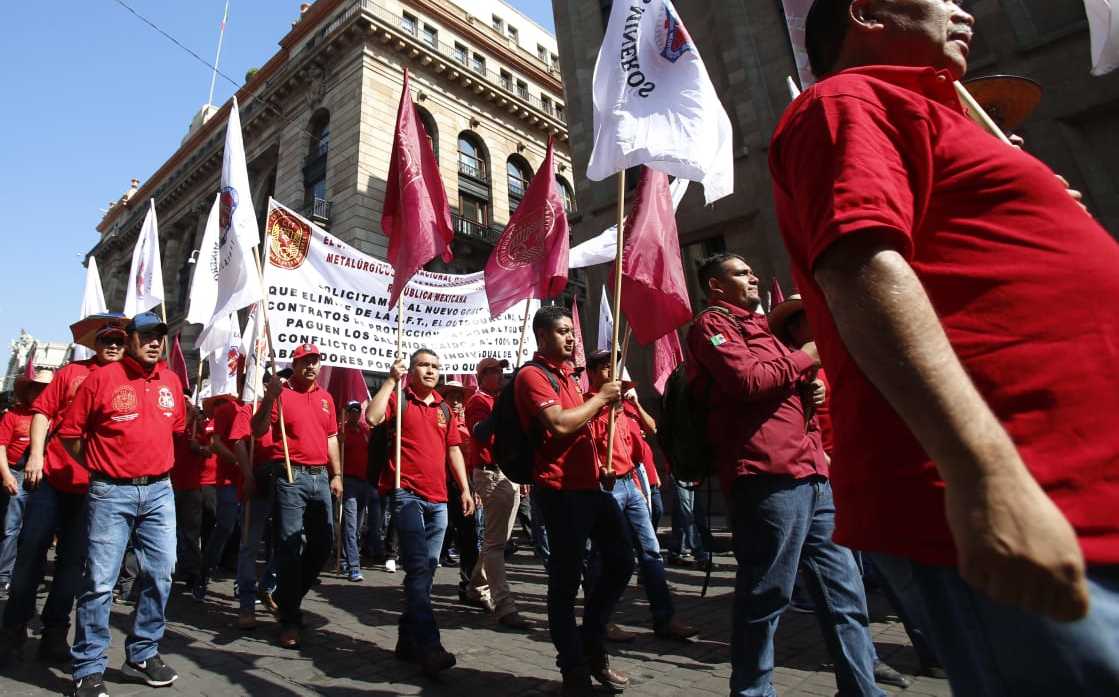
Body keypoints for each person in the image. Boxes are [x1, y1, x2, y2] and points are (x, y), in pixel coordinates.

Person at [766, 2, 1119, 693]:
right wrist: (983, 473)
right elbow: (860, 265)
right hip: (1032, 497)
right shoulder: (845, 101)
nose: (963, 8)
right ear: (866, 11)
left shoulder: (942, 118)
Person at [686, 254, 884, 697]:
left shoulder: (764, 332)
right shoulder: (710, 325)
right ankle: (753, 691)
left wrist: (808, 386)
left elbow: (779, 381)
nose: (753, 275)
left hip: (812, 472)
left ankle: (862, 690)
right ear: (715, 286)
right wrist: (803, 359)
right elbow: (747, 381)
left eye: (751, 270)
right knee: (767, 594)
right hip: (768, 476)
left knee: (845, 597)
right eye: (741, 272)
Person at [59, 312, 185, 696]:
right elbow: (70, 434)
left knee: (162, 573)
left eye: (159, 336)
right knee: (100, 582)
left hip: (160, 491)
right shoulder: (101, 379)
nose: (154, 342)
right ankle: (89, 666)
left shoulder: (172, 380)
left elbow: (175, 428)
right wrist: (101, 467)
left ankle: (143, 652)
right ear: (130, 339)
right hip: (110, 493)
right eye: (146, 335)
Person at [513, 306, 632, 697]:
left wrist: (602, 459)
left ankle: (591, 642)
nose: (571, 338)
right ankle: (575, 668)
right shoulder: (533, 376)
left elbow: (580, 427)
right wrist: (600, 398)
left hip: (591, 488)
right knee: (565, 586)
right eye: (563, 332)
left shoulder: (569, 376)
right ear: (543, 336)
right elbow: (561, 424)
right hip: (559, 492)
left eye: (572, 332)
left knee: (620, 563)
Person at [365, 349, 475, 676]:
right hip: (406, 494)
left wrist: (465, 488)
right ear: (411, 370)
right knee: (417, 567)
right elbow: (371, 418)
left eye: (435, 366)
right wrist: (389, 381)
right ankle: (430, 647)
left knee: (426, 569)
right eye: (424, 365)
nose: (430, 371)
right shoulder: (400, 399)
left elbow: (453, 448)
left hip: (438, 499)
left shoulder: (443, 407)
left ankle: (405, 638)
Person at [584, 350, 698, 643]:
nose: (614, 373)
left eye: (616, 367)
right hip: (604, 489)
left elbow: (639, 446)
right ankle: (600, 621)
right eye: (607, 368)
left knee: (650, 551)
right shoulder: (587, 407)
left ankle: (665, 618)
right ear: (594, 373)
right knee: (603, 556)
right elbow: (585, 451)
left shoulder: (623, 408)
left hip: (630, 485)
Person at [250, 344, 342, 648]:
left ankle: (284, 597)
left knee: (324, 543)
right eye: (305, 361)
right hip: (291, 476)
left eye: (315, 361)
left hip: (320, 476)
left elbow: (331, 439)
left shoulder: (326, 398)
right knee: (289, 546)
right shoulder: (281, 394)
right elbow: (257, 428)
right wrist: (269, 398)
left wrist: (337, 474)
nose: (311, 366)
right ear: (295, 363)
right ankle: (290, 619)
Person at [464, 357, 531, 629]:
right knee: (495, 542)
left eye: (502, 370)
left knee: (497, 539)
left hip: (508, 472)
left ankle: (476, 586)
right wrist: (502, 406)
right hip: (490, 473)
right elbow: (480, 433)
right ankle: (503, 603)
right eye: (493, 371)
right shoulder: (478, 402)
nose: (501, 374)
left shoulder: (503, 400)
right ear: (481, 377)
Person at [0, 369, 54, 599]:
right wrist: (6, 475)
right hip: (17, 474)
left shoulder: (55, 417)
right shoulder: (12, 415)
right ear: (28, 390)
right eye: (36, 387)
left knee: (38, 531)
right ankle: (4, 577)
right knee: (11, 528)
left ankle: (34, 576)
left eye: (45, 389)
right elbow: (1, 446)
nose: (40, 392)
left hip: (45, 478)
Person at [234, 372, 280, 630]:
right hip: (259, 478)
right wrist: (248, 475)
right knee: (250, 545)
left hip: (282, 479)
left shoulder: (285, 405)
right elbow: (240, 442)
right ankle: (247, 604)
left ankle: (268, 587)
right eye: (272, 380)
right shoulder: (249, 407)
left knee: (293, 541)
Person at [200, 389, 249, 600]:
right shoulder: (226, 409)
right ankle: (203, 575)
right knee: (225, 528)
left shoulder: (261, 406)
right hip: (229, 481)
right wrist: (238, 461)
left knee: (248, 533)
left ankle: (244, 584)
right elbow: (215, 443)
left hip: (252, 481)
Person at [437, 380, 482, 606]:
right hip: (439, 483)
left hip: (463, 486)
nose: (456, 402)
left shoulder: (467, 425)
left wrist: (473, 488)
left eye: (459, 397)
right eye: (451, 397)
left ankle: (468, 585)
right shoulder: (439, 422)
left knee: (468, 537)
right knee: (435, 532)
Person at [170, 403, 218, 598]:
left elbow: (211, 447)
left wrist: (200, 447)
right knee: (168, 532)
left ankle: (192, 573)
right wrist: (187, 419)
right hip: (170, 484)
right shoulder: (176, 426)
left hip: (191, 486)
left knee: (191, 532)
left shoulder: (201, 429)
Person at [340, 400, 371, 582]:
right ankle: (353, 566)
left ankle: (344, 558)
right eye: (352, 410)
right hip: (348, 482)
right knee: (351, 525)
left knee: (356, 526)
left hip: (363, 483)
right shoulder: (341, 431)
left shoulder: (365, 430)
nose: (355, 413)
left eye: (357, 410)